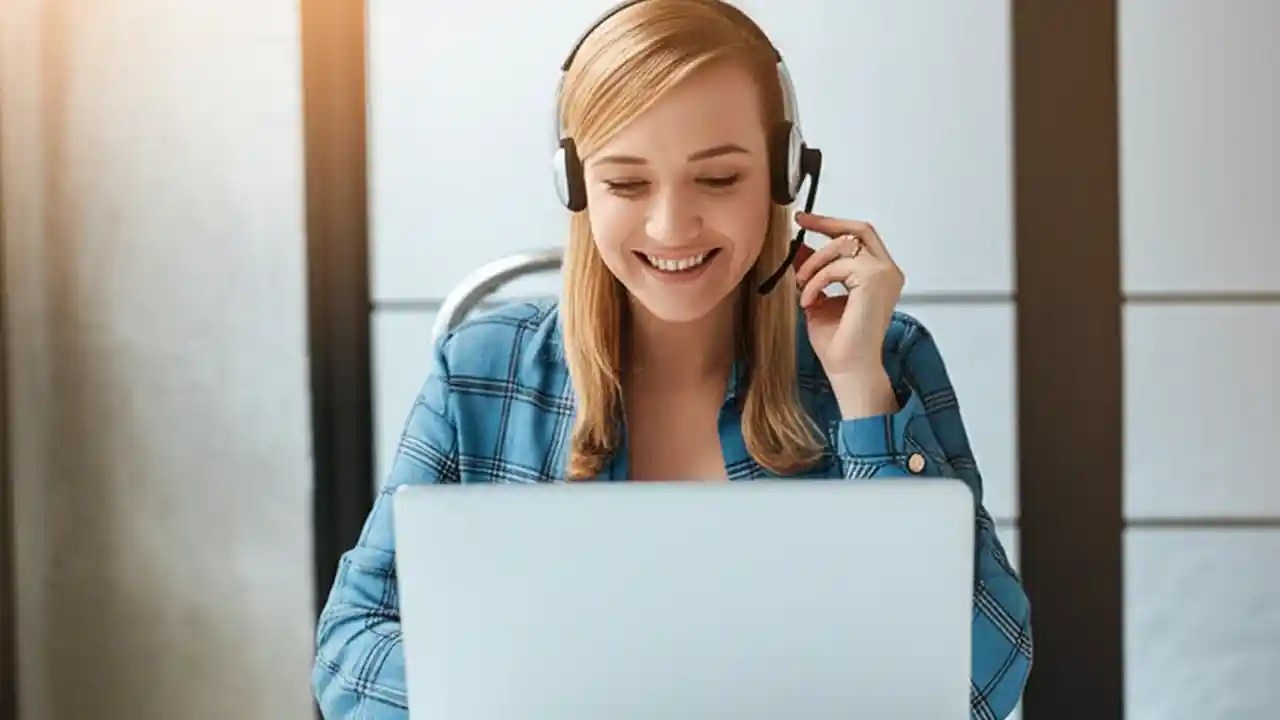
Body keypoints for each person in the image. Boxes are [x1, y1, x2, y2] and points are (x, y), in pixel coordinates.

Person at [312, 0, 1032, 717]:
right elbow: (350, 650)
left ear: (786, 175)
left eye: (717, 180)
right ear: (577, 186)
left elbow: (983, 685)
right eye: (626, 183)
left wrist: (861, 396)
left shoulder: (885, 357)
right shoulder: (481, 369)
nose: (670, 225)